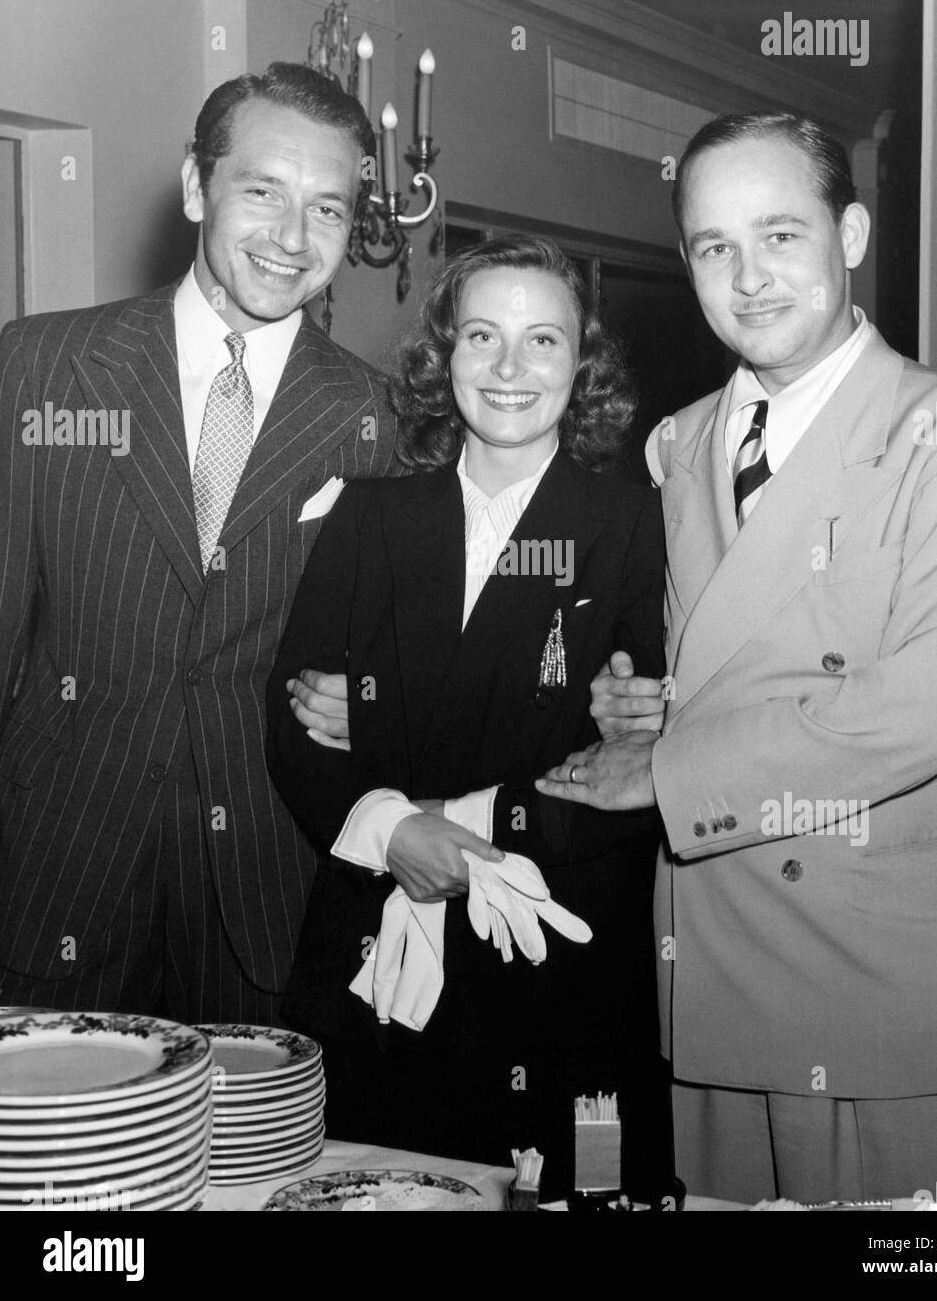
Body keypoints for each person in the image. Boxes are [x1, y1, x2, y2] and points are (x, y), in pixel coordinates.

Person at [538, 111, 937, 1204]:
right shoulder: (677, 444)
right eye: (714, 246)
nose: (748, 276)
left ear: (850, 234)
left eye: (779, 234)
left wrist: (666, 772)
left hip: (885, 979)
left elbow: (912, 714)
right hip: (715, 955)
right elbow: (728, 668)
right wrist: (646, 705)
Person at [266, 235, 674, 1202]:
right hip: (372, 939)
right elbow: (292, 721)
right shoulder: (369, 517)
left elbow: (635, 766)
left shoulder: (636, 528)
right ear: (443, 356)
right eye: (482, 335)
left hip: (556, 957)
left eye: (542, 341)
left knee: (571, 1191)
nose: (508, 368)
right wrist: (393, 828)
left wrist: (466, 827)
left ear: (584, 366)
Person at [0, 63, 396, 1022]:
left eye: (328, 210)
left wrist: (372, 696)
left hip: (263, 882)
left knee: (249, 1161)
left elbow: (383, 641)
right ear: (193, 187)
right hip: (55, 857)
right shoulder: (44, 365)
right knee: (56, 1160)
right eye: (262, 192)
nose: (293, 240)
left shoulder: (367, 410)